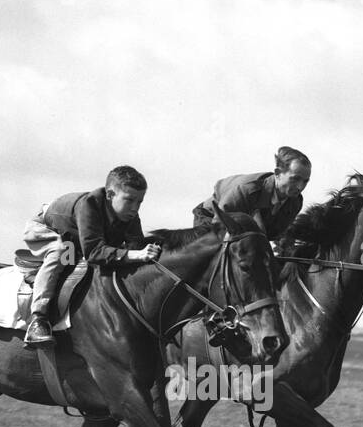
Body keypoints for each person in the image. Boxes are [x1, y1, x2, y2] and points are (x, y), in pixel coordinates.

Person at [18, 166, 161, 347]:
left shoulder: (131, 216)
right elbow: (94, 252)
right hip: (46, 229)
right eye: (129, 200)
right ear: (110, 195)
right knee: (62, 252)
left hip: (76, 237)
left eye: (139, 202)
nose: (135, 208)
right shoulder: (89, 205)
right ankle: (38, 319)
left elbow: (136, 248)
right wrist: (135, 254)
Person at [192, 146, 312, 244]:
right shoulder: (246, 191)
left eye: (305, 181)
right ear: (278, 173)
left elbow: (274, 235)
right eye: (295, 179)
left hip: (245, 230)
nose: (300, 187)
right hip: (211, 218)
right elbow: (219, 227)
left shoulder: (295, 202)